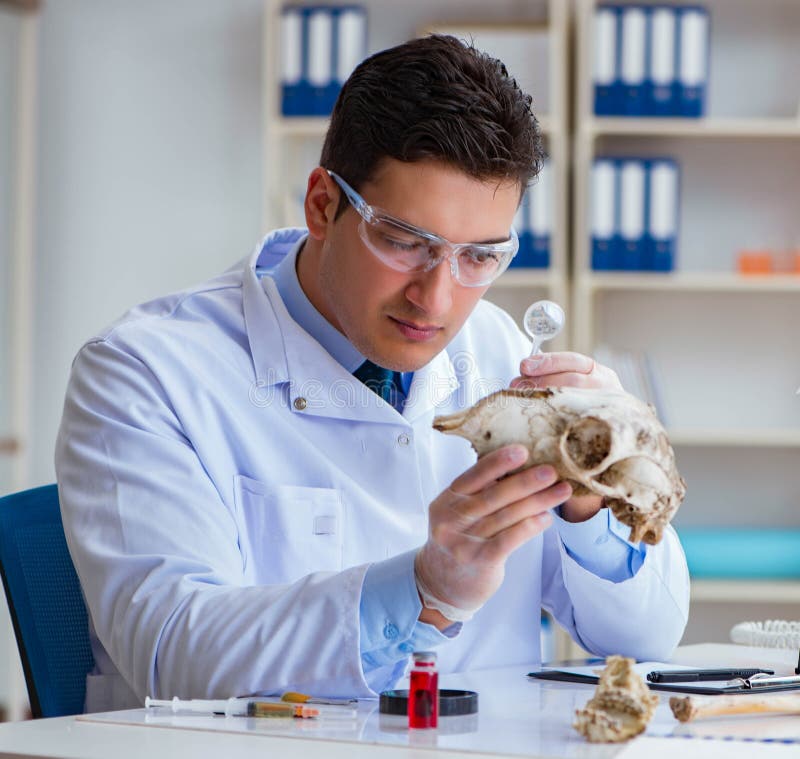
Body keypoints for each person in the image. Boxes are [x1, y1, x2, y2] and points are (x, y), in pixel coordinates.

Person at [55, 35, 689, 712]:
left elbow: (646, 636)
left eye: (479, 256)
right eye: (405, 242)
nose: (437, 299)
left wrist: (592, 496)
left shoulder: (502, 354)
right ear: (322, 205)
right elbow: (170, 651)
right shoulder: (146, 372)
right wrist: (420, 590)